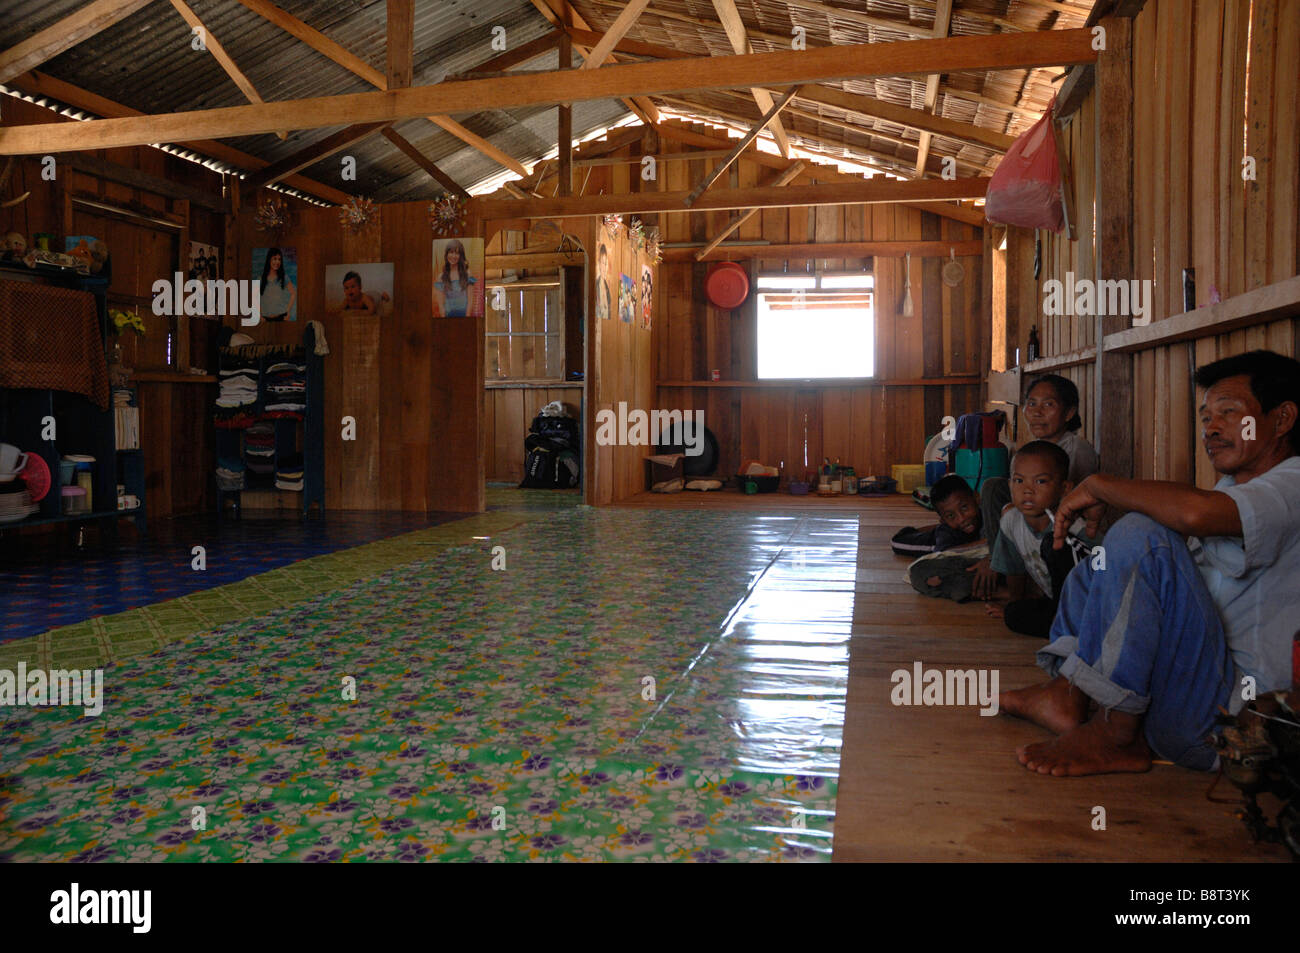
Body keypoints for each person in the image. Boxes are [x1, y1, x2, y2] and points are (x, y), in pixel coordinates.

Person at [999, 350, 1300, 777]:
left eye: (1229, 413)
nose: (1211, 428)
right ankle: (1068, 691)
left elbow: (1193, 514)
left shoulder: (1292, 484)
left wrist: (1102, 486)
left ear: (1283, 418)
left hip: (1228, 721)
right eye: (1205, 416)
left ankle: (1115, 733)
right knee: (1103, 557)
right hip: (1179, 697)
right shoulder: (1233, 488)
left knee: (1140, 536)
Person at [985, 441, 1099, 638]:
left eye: (1040, 481)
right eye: (1019, 481)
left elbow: (1108, 566)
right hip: (1054, 604)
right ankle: (1066, 626)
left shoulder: (1075, 526)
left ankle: (1077, 627)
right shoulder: (1011, 521)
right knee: (1013, 615)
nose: (1027, 490)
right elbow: (1014, 569)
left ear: (1064, 489)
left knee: (1054, 544)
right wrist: (1015, 603)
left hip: (1090, 604)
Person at [981, 374, 1101, 553]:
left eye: (1048, 404)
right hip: (1036, 509)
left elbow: (1069, 501)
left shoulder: (1076, 447)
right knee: (994, 488)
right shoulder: (1034, 449)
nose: (1037, 412)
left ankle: (1001, 559)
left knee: (1007, 508)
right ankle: (997, 554)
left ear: (1069, 412)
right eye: (1031, 404)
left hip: (1062, 525)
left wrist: (1014, 510)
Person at [906, 475, 1003, 602]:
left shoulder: (989, 513)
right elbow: (944, 554)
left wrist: (993, 556)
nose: (961, 518)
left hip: (1005, 561)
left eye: (964, 507)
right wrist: (987, 545)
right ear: (943, 520)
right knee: (919, 573)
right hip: (975, 567)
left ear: (977, 498)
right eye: (951, 516)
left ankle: (989, 591)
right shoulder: (945, 531)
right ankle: (998, 590)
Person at [434, 240, 481, 318]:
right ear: (446, 254)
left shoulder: (467, 274)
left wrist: (467, 318)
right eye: (451, 252)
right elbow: (441, 305)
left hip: (465, 315)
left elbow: (470, 301)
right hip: (448, 316)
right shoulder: (440, 277)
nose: (453, 256)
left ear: (461, 256)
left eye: (457, 253)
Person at [259, 247, 296, 322]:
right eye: (275, 259)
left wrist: (288, 311)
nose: (277, 262)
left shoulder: (284, 277)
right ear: (269, 260)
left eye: (279, 259)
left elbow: (293, 294)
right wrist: (259, 315)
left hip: (281, 317)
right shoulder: (261, 279)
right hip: (265, 319)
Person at [595, 244, 611, 320]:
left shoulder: (607, 289)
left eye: (606, 263)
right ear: (598, 263)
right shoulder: (595, 285)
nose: (605, 267)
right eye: (603, 263)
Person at [640, 263, 653, 328]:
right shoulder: (643, 297)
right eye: (644, 282)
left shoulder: (649, 298)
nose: (645, 285)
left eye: (646, 282)